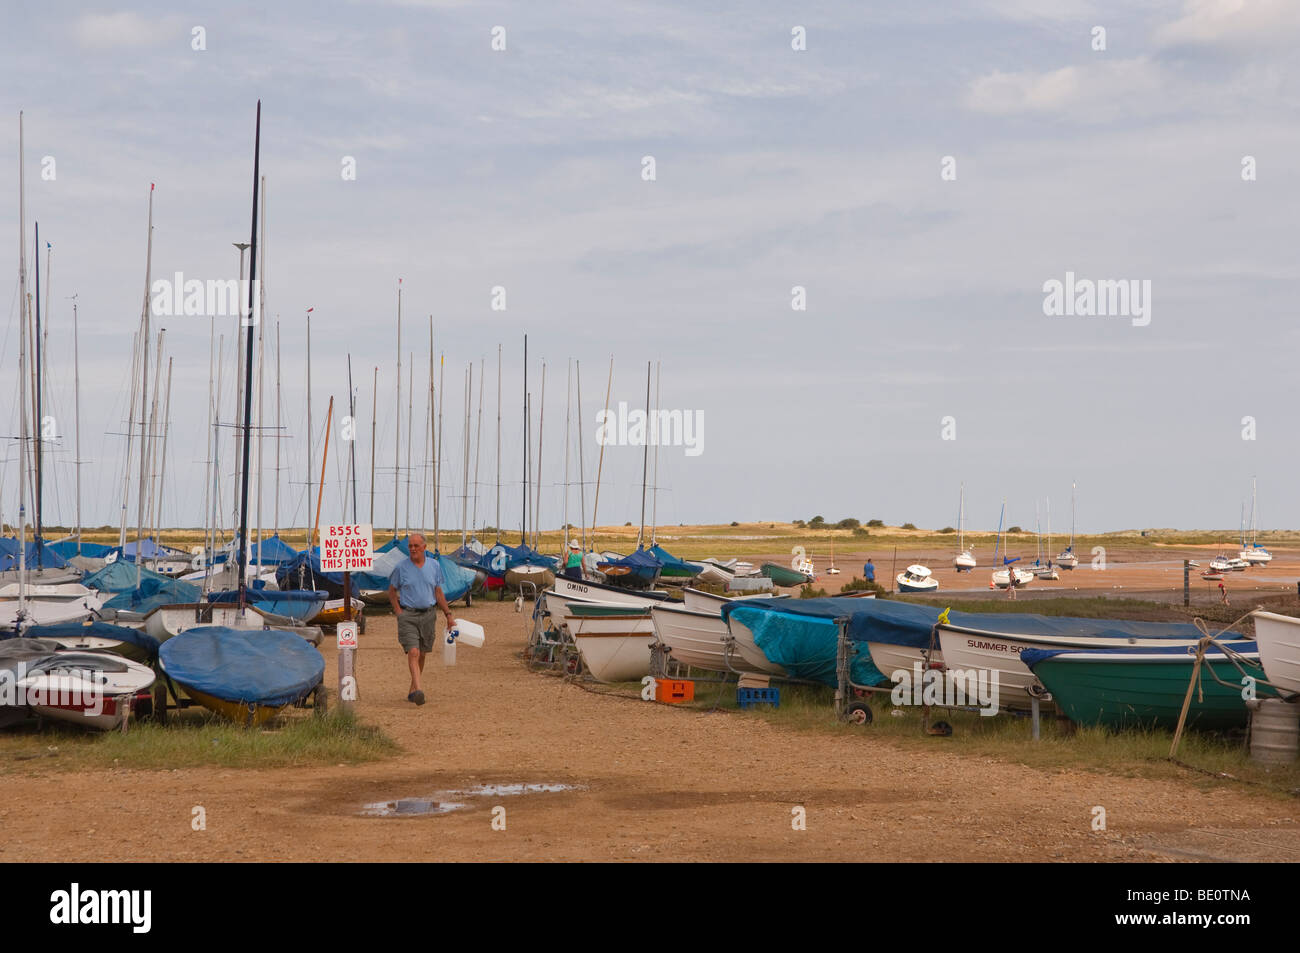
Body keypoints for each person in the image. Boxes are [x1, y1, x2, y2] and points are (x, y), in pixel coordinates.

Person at [386, 533, 457, 705]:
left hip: (428, 615)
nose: (412, 549)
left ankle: (412, 690)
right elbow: (392, 591)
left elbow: (438, 592)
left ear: (424, 547)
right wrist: (398, 612)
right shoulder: (401, 568)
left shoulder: (434, 566)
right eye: (410, 546)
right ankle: (419, 690)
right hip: (408, 615)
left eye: (416, 546)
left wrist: (448, 615)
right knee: (413, 652)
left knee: (423, 653)